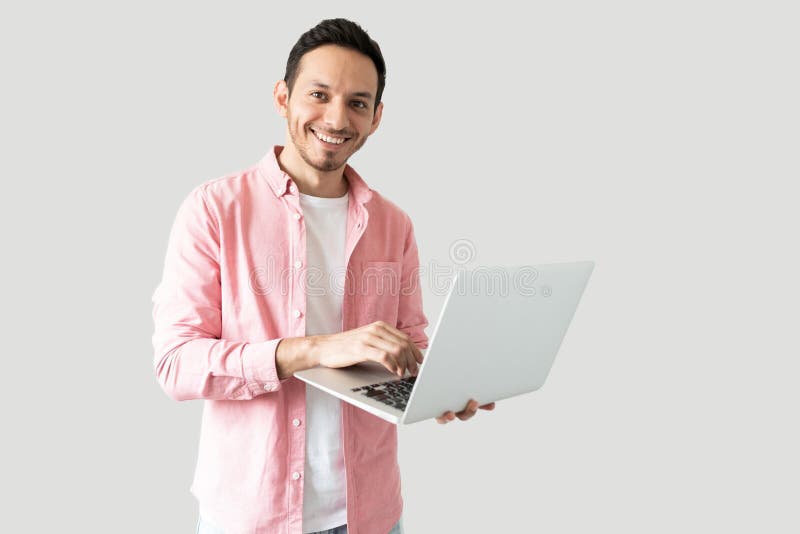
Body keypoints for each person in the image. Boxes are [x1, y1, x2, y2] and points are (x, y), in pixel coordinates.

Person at [152, 18, 495, 534]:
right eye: (319, 94)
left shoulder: (394, 223)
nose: (337, 118)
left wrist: (441, 387)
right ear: (282, 97)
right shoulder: (214, 209)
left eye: (357, 102)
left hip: (370, 513)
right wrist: (314, 349)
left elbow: (409, 343)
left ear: (376, 118)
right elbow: (176, 364)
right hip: (251, 516)